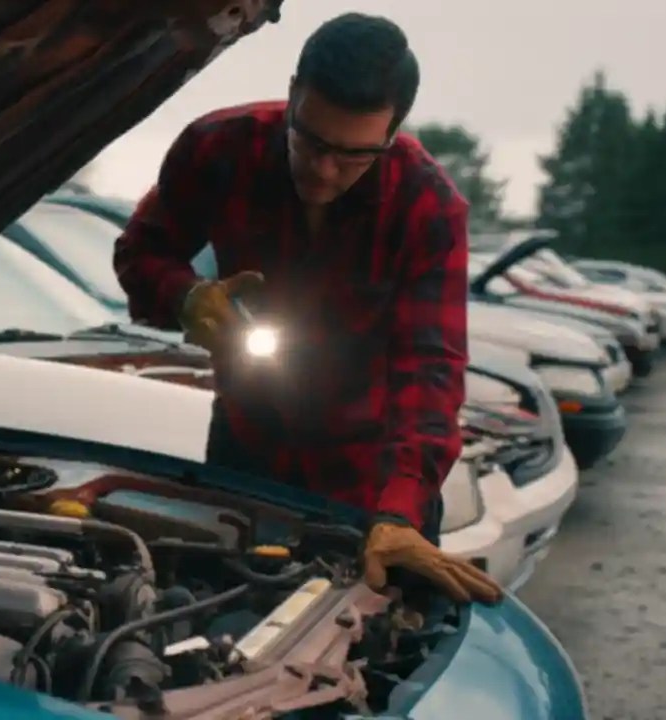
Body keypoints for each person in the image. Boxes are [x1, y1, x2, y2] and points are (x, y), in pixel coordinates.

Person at [112, 13, 502, 604]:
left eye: (353, 156)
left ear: (392, 132)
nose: (323, 171)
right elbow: (141, 253)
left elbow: (430, 371)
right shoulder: (218, 149)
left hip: (372, 486)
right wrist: (186, 297)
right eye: (312, 141)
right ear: (294, 92)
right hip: (244, 457)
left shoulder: (428, 207)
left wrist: (400, 511)